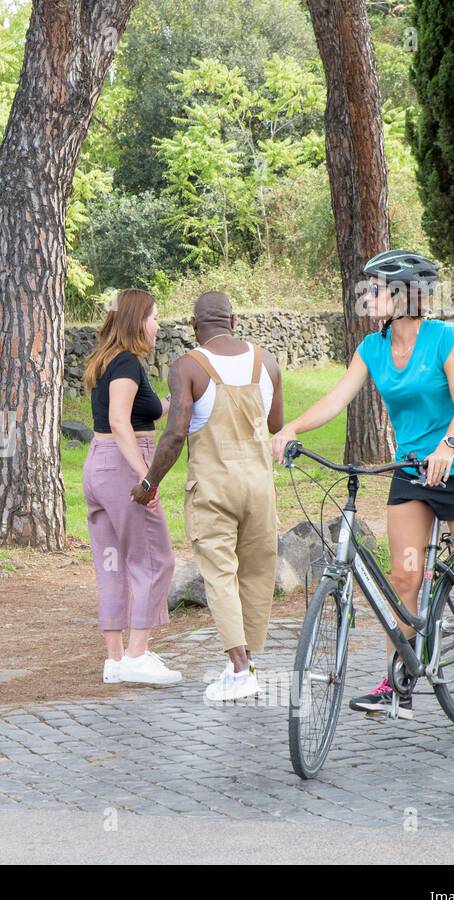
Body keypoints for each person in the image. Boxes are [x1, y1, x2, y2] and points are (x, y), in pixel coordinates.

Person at [269, 250, 454, 742]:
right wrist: (290, 428)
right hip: (412, 471)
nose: (366, 296)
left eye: (375, 288)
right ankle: (400, 684)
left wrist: (448, 447)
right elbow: (335, 398)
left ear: (405, 295)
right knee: (404, 575)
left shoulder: (444, 340)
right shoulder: (372, 347)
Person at [131, 292, 284, 702]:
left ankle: (237, 670)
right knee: (255, 573)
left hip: (214, 488)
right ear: (234, 320)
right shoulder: (266, 361)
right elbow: (276, 422)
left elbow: (176, 433)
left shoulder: (188, 366)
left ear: (195, 324)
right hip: (259, 486)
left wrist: (149, 483)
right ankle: (247, 662)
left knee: (219, 573)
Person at [83, 289, 181, 686]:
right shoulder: (126, 363)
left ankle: (115, 660)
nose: (159, 325)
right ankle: (137, 655)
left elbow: (141, 412)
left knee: (112, 563)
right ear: (138, 321)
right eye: (155, 317)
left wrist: (177, 402)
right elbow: (121, 422)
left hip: (98, 466)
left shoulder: (107, 361)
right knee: (155, 560)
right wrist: (147, 477)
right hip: (123, 467)